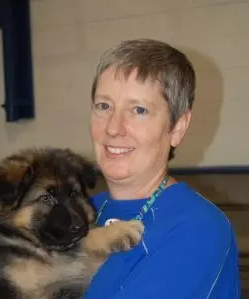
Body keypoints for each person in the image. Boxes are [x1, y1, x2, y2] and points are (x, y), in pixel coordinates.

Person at [83, 38, 240, 299]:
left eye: (139, 110)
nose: (113, 127)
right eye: (104, 106)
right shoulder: (77, 213)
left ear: (177, 127)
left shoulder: (196, 228)